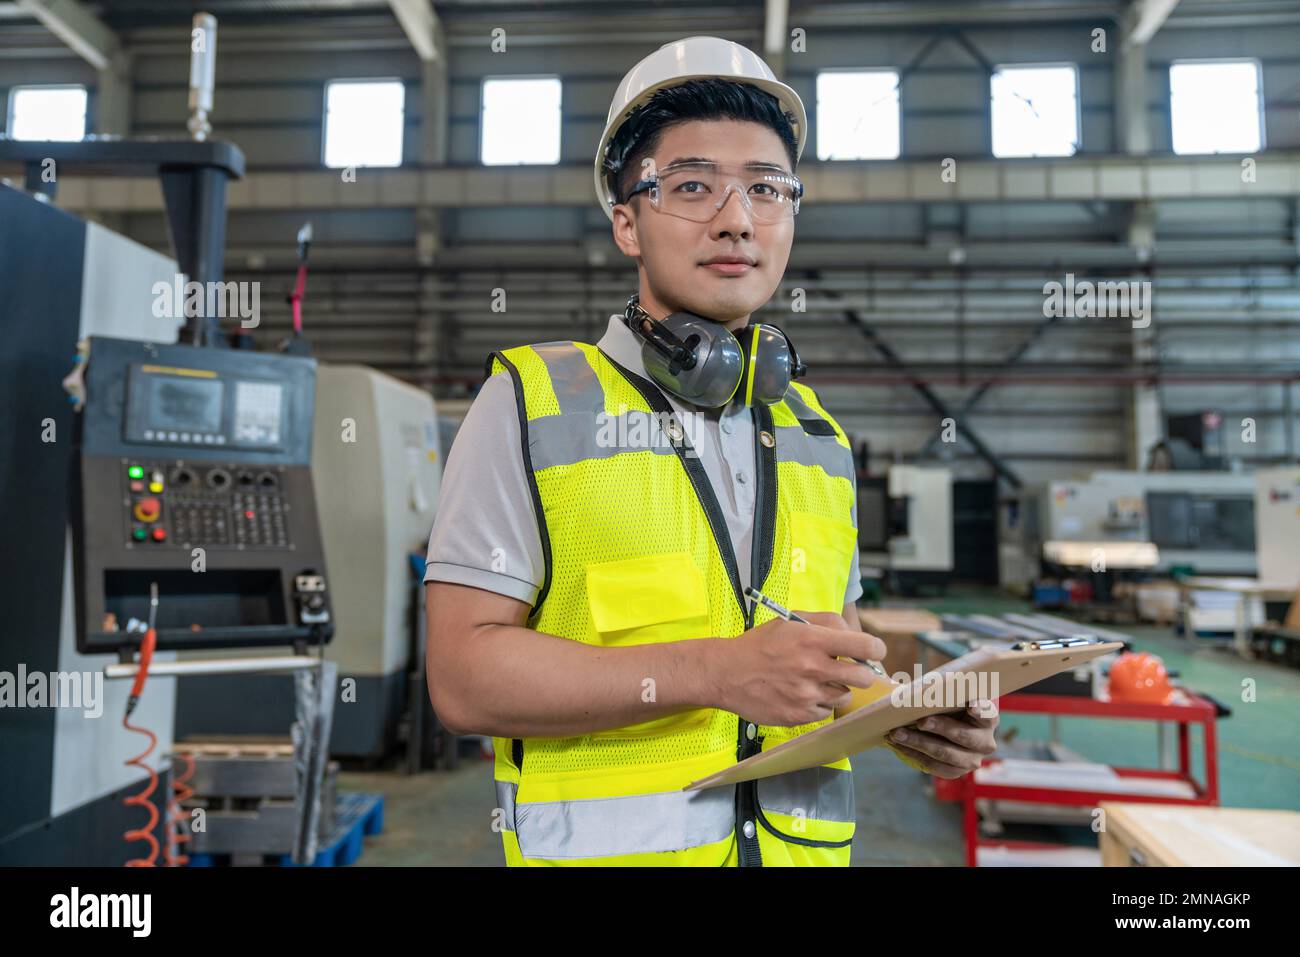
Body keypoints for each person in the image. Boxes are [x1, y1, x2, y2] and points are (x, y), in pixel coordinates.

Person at [424, 36, 998, 867]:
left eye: (766, 189)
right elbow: (463, 677)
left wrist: (902, 714)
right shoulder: (531, 404)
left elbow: (829, 657)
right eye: (692, 186)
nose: (736, 218)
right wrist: (715, 673)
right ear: (627, 221)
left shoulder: (817, 436)